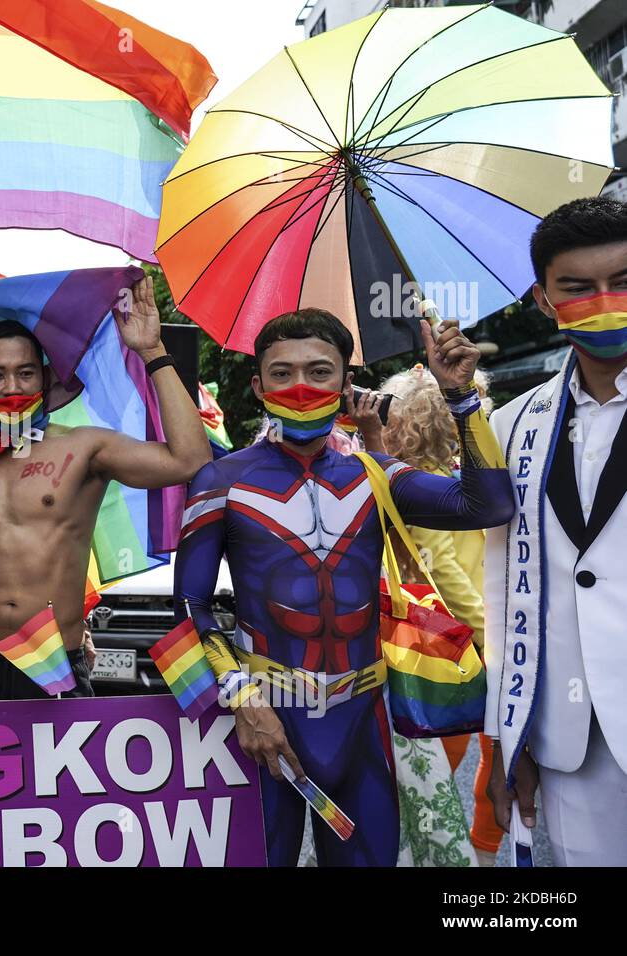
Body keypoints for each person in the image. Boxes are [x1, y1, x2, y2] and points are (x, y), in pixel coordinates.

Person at [175, 307, 513, 867]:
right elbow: (191, 606)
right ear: (258, 385)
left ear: (345, 382)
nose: (301, 387)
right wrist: (241, 700)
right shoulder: (222, 479)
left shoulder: (375, 474)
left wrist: (461, 399)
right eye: (282, 373)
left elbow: (488, 504)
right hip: (267, 719)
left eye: (319, 371)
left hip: (363, 715)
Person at [0, 275, 209, 700]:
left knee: (61, 770)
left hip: (52, 658)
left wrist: (153, 351)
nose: (13, 387)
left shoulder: (86, 446)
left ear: (46, 378)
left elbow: (190, 460)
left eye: (25, 373)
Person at [483, 196, 627, 866]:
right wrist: (506, 740)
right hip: (572, 738)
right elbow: (502, 587)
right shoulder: (513, 427)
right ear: (545, 301)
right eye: (579, 289)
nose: (604, 300)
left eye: (622, 283)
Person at [381, 367, 502, 866]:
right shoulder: (430, 490)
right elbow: (444, 575)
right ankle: (471, 851)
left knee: (448, 753)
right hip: (459, 644)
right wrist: (489, 636)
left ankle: (467, 847)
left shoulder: (431, 483)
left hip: (445, 643)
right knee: (462, 752)